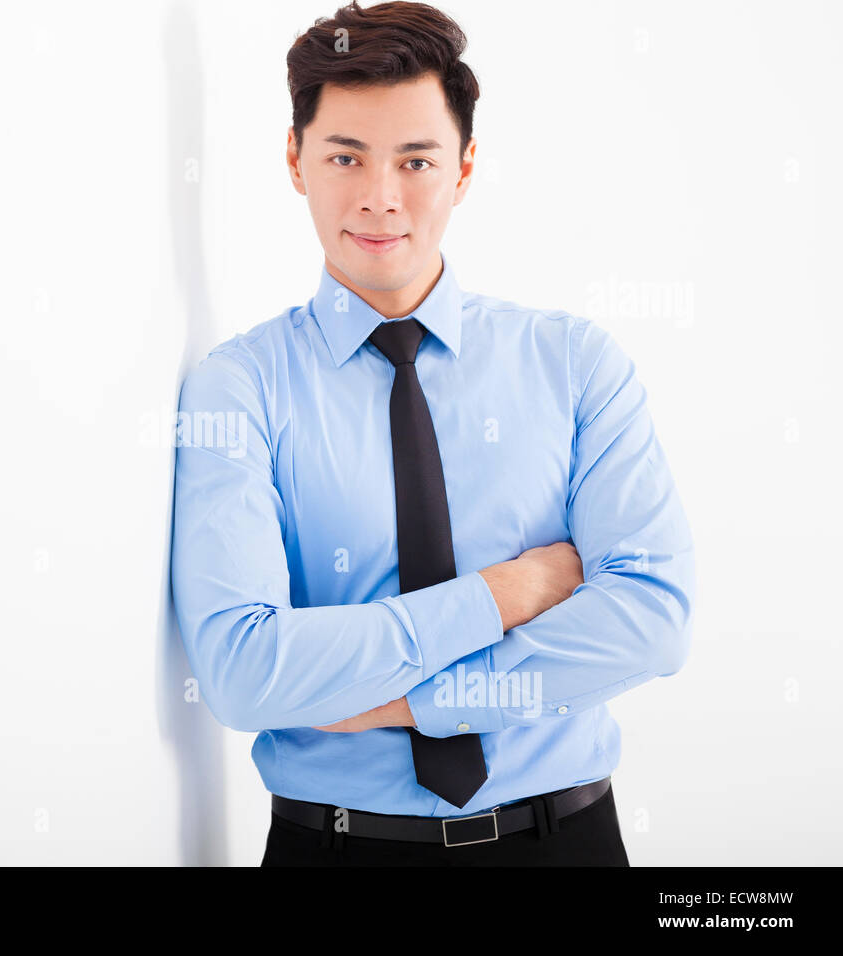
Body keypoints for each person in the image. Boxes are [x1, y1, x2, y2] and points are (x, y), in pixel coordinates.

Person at [170, 0, 696, 866]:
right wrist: (506, 594)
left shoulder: (573, 365)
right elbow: (242, 669)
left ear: (465, 167)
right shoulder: (240, 389)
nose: (381, 198)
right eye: (346, 156)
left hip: (564, 841)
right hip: (333, 850)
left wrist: (391, 699)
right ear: (296, 160)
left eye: (416, 159)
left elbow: (652, 621)